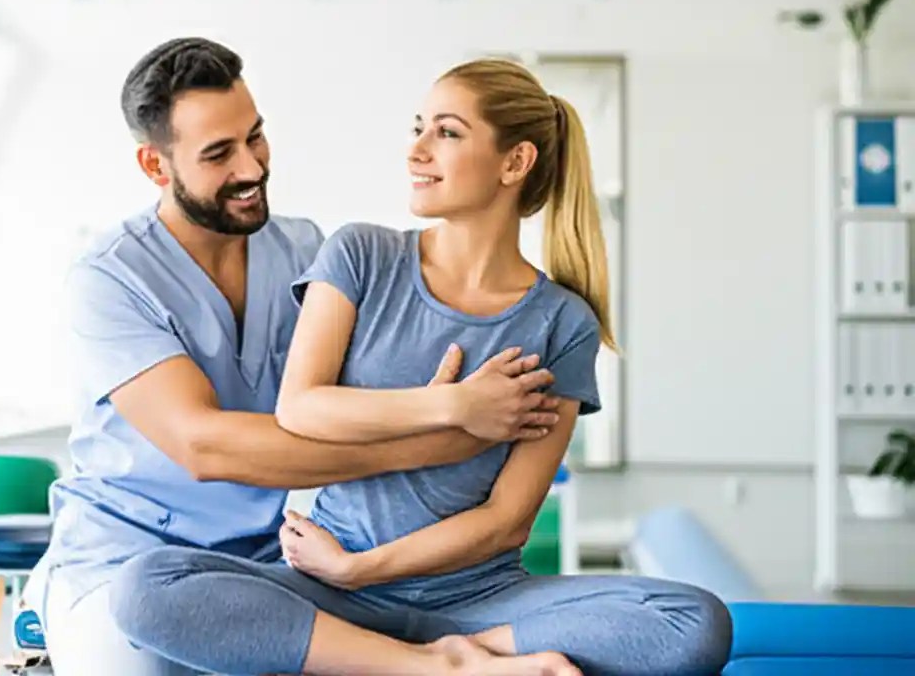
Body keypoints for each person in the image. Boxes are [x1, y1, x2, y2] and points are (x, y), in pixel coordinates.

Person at [109, 58, 734, 675]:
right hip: (332, 596)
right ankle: (442, 668)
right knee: (147, 587)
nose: (417, 151)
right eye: (418, 128)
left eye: (448, 132)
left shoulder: (561, 323)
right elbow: (300, 407)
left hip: (475, 601)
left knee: (693, 623)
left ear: (514, 163)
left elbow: (506, 523)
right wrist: (453, 407)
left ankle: (408, 659)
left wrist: (361, 568)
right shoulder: (360, 254)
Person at [22, 38, 564, 674]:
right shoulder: (110, 280)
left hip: (273, 559)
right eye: (219, 154)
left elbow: (376, 391)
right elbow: (207, 447)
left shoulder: (308, 249)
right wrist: (437, 438)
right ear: (155, 165)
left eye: (256, 137)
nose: (251, 167)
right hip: (123, 558)